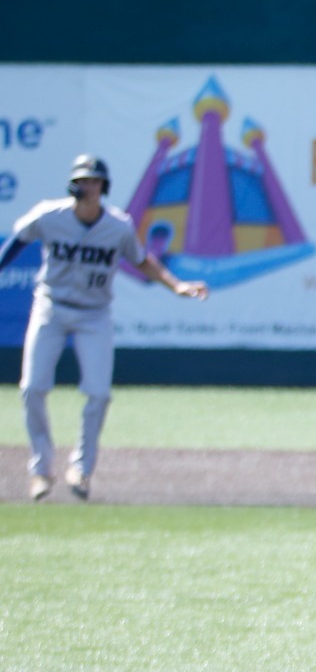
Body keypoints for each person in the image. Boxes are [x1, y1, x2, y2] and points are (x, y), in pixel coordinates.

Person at [3, 154, 207, 502]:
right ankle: (40, 470)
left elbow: (143, 260)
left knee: (98, 393)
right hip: (52, 306)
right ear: (73, 184)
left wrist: (176, 285)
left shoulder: (118, 225)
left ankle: (81, 469)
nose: (88, 186)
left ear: (104, 186)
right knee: (32, 387)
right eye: (83, 180)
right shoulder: (50, 215)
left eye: (94, 181)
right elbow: (17, 242)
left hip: (94, 314)